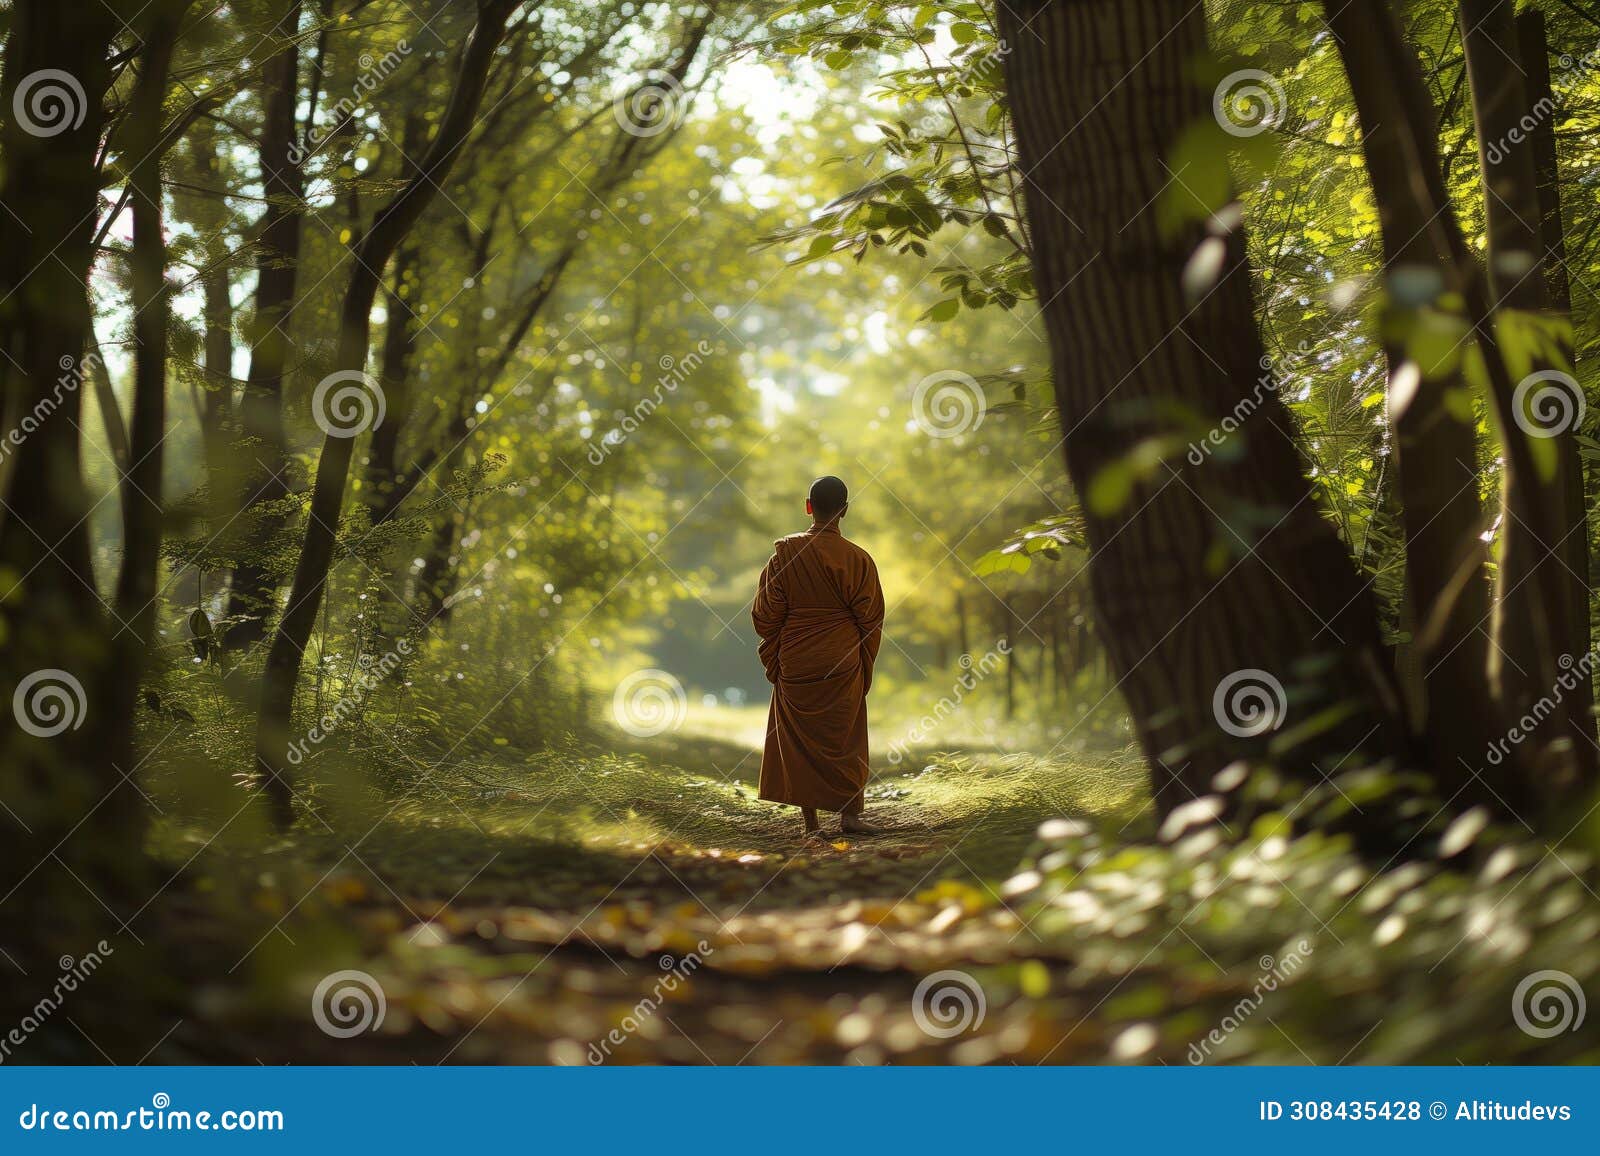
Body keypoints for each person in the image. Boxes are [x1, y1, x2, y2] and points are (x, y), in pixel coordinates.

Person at [752, 475, 887, 836]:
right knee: (845, 736)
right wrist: (857, 655)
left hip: (797, 660)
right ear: (844, 511)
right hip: (841, 660)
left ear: (808, 506)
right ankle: (850, 817)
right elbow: (871, 619)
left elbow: (765, 615)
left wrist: (786, 640)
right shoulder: (859, 560)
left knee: (798, 740)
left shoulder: (784, 554)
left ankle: (810, 824)